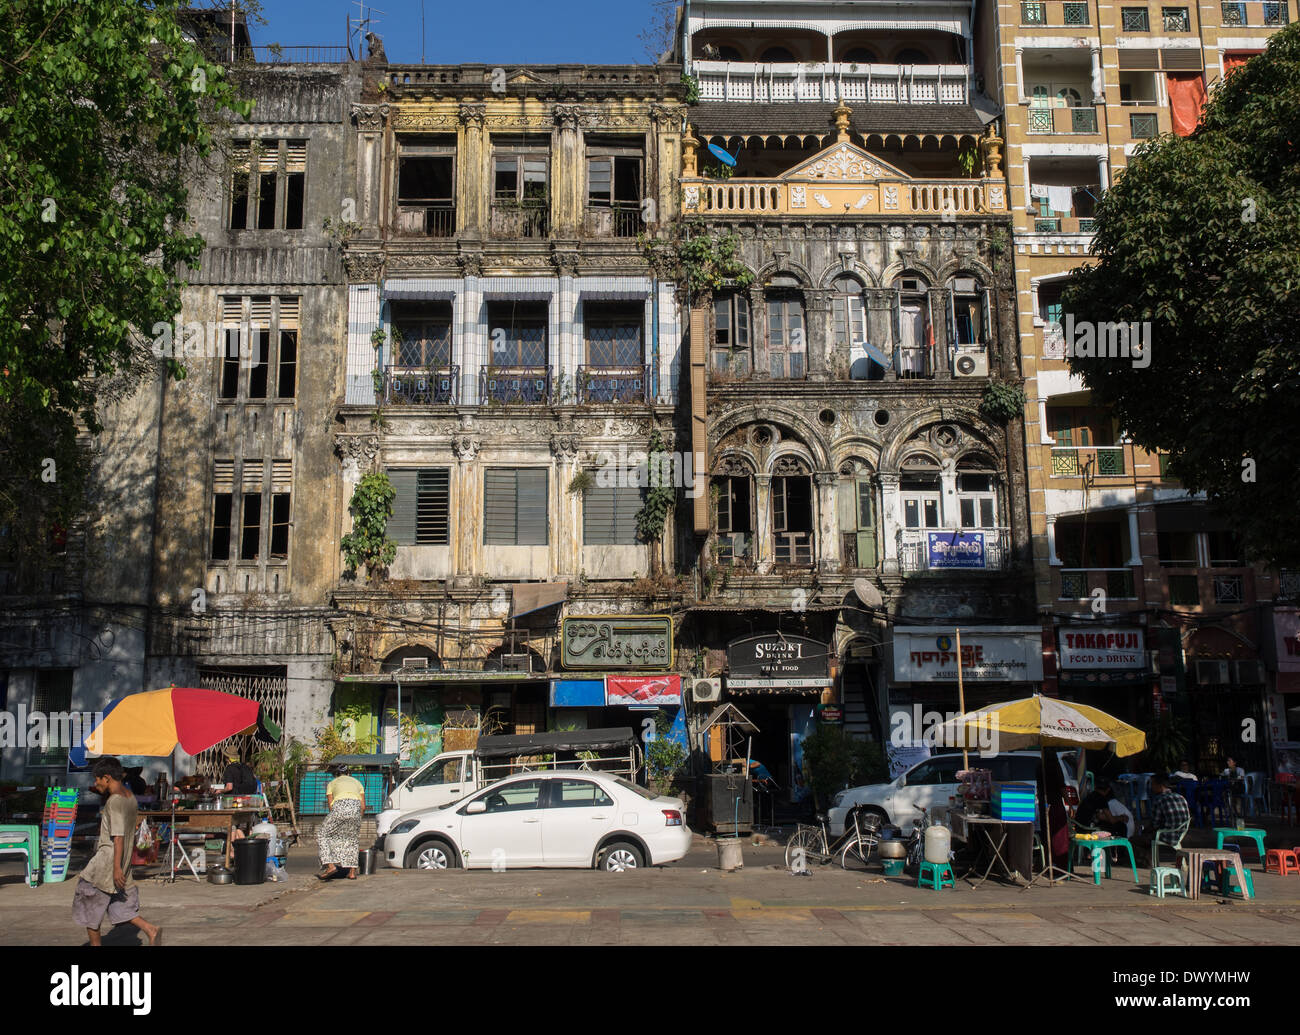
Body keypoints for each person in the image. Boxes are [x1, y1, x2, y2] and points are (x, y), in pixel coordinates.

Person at [73, 756, 161, 946]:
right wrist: (121, 866)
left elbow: (118, 837)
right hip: (123, 861)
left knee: (91, 908)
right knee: (120, 907)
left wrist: (115, 869)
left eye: (97, 779)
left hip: (106, 863)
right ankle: (150, 929)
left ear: (106, 778)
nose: (95, 783)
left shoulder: (115, 801)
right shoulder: (130, 797)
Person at [318, 764, 365, 880]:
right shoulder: (357, 782)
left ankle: (330, 866)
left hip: (339, 807)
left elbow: (330, 806)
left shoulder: (332, 783)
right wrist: (357, 820)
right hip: (355, 809)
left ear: (336, 774)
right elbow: (363, 806)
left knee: (322, 835)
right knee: (352, 838)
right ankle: (352, 872)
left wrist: (336, 819)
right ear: (348, 773)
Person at [1140, 773, 1191, 865]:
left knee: (1139, 838)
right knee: (1148, 834)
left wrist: (1146, 830)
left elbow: (1155, 824)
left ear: (1159, 785)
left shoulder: (1159, 800)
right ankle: (1148, 859)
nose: (1151, 787)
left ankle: (1148, 861)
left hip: (1167, 835)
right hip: (1181, 833)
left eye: (1152, 784)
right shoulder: (1180, 797)